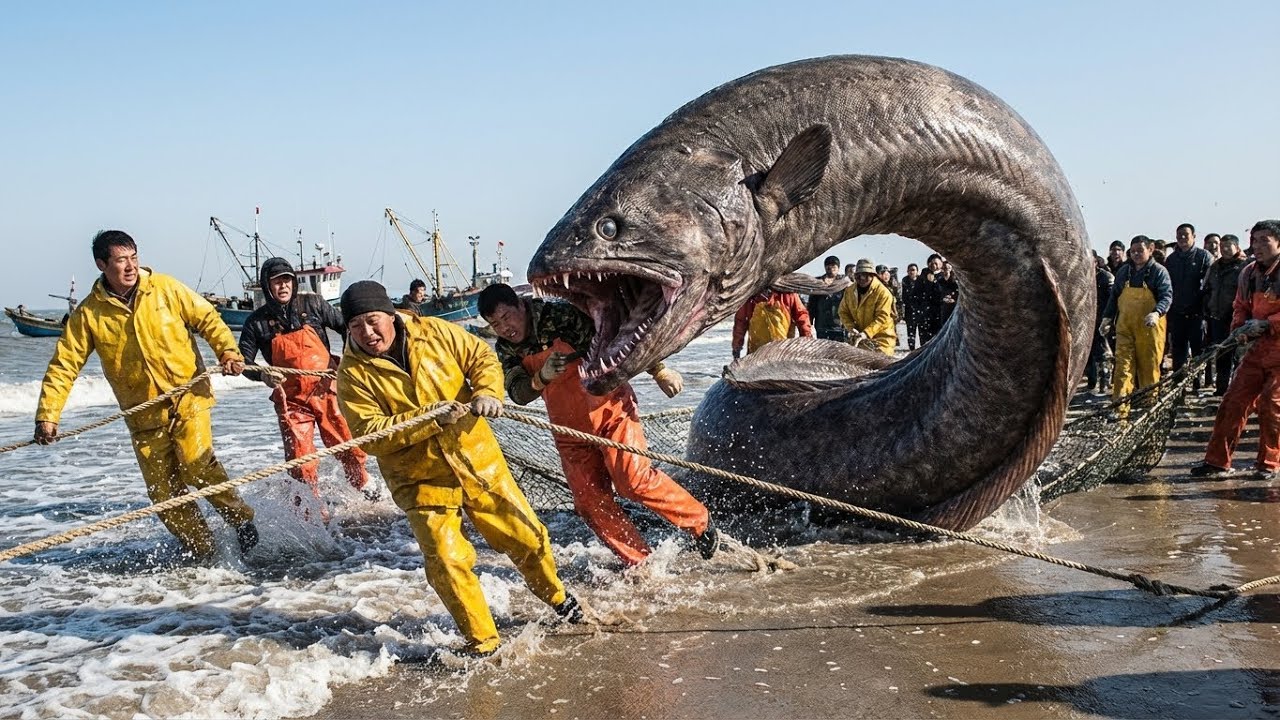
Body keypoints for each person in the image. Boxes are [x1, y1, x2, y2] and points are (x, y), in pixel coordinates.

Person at [335, 280, 582, 656]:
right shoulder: (352, 375)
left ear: (391, 314)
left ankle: (558, 597)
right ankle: (483, 641)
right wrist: (431, 417)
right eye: (355, 326)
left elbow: (481, 359)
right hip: (419, 481)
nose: (367, 333)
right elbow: (368, 434)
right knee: (447, 560)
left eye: (373, 321)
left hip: (476, 458)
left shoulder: (436, 331)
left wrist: (486, 391)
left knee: (527, 538)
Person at [34, 230, 257, 561]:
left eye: (134, 257)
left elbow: (208, 318)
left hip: (188, 399)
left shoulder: (165, 288)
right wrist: (47, 415)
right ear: (101, 264)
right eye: (121, 260)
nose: (130, 266)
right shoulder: (89, 314)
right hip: (143, 416)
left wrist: (228, 352)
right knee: (165, 498)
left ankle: (242, 522)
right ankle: (206, 555)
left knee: (197, 466)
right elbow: (64, 365)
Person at [479, 283, 719, 567]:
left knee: (633, 481)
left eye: (507, 317)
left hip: (610, 410)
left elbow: (622, 339)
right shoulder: (506, 348)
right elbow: (518, 394)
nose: (505, 328)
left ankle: (698, 521)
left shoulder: (563, 316)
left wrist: (659, 370)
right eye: (495, 324)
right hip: (569, 430)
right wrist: (539, 378)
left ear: (521, 305)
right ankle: (639, 563)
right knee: (589, 502)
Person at [238, 258, 373, 511]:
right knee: (301, 463)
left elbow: (346, 328)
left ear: (293, 282)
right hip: (292, 402)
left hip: (326, 390)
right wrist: (263, 375)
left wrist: (348, 362)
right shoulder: (255, 322)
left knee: (349, 447)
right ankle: (311, 512)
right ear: (267, 286)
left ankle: (365, 491)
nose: (283, 286)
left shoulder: (313, 303)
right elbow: (244, 363)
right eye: (276, 282)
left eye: (287, 280)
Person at [1192, 220, 1280, 478]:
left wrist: (1267, 324)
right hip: (1256, 350)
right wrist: (1239, 329)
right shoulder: (1249, 273)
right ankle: (1217, 461)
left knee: (1271, 405)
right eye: (1255, 240)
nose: (1259, 246)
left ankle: (1268, 464)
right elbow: (1240, 305)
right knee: (1232, 402)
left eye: (1265, 240)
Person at [1098, 236, 1172, 412]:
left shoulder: (1159, 272)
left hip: (1150, 329)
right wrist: (1107, 318)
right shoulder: (1124, 272)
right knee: (1122, 369)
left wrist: (1157, 312)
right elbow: (1114, 296)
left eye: (1140, 250)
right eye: (1133, 252)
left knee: (1149, 371)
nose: (1137, 254)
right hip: (1125, 328)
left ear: (1151, 249)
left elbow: (1166, 296)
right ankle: (1120, 411)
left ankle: (1148, 410)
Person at [1163, 222, 1213, 385]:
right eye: (1179, 235)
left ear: (1194, 237)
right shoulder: (1171, 259)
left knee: (1199, 350)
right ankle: (1179, 384)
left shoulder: (1204, 257)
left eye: (1186, 235)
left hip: (1197, 312)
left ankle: (1199, 383)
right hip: (1177, 312)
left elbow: (1209, 286)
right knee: (1178, 351)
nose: (1182, 238)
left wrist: (1205, 311)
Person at [1203, 234, 1247, 396]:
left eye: (1228, 246)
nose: (1225, 249)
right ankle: (1221, 389)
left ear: (1236, 247)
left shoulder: (1245, 267)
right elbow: (1207, 289)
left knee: (1239, 356)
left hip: (1237, 318)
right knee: (1222, 354)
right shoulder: (1215, 267)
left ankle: (1238, 389)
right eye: (1223, 246)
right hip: (1217, 317)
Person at [731, 288, 813, 358]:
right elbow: (741, 322)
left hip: (782, 351)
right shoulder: (751, 296)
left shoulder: (788, 294)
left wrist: (806, 340)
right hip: (757, 353)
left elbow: (802, 317)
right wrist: (737, 347)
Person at [838, 258, 898, 355]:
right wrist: (851, 328)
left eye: (865, 275)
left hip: (882, 340)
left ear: (873, 275)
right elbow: (843, 312)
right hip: (859, 339)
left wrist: (866, 333)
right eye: (858, 276)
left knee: (881, 367)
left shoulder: (883, 293)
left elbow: (882, 317)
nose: (861, 278)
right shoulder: (849, 291)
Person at [1085, 254, 1115, 394]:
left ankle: (1105, 383)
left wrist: (1108, 319)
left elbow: (1112, 300)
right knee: (1088, 354)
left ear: (1096, 262)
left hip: (1102, 320)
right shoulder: (1081, 276)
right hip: (1086, 321)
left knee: (1104, 354)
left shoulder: (1106, 277)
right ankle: (1092, 383)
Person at [805, 255, 847, 342]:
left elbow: (849, 304)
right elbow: (812, 306)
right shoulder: (818, 283)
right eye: (828, 265)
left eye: (833, 265)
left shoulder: (843, 283)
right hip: (821, 325)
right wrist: (809, 324)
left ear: (838, 268)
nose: (831, 267)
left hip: (838, 326)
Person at [900, 263, 925, 350]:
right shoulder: (905, 280)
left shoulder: (922, 280)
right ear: (907, 271)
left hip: (920, 309)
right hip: (909, 309)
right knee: (910, 330)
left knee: (922, 331)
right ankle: (911, 348)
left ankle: (923, 347)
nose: (911, 272)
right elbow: (903, 296)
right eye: (910, 270)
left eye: (913, 270)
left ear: (917, 271)